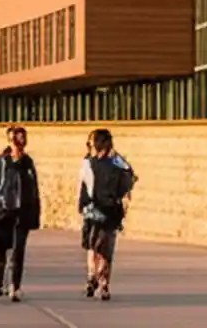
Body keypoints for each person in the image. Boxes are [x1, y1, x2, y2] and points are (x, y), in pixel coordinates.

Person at [0, 125, 41, 302]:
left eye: (22, 138)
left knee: (18, 250)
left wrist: (35, 214)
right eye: (16, 138)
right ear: (9, 140)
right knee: (1, 248)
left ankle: (15, 286)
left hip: (22, 214)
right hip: (2, 212)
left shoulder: (28, 163)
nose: (19, 142)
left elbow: (34, 190)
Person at [78, 128, 136, 301]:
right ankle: (98, 280)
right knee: (100, 248)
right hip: (102, 210)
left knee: (98, 248)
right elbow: (129, 176)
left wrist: (82, 206)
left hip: (101, 210)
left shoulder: (97, 163)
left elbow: (84, 186)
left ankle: (96, 279)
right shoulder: (104, 163)